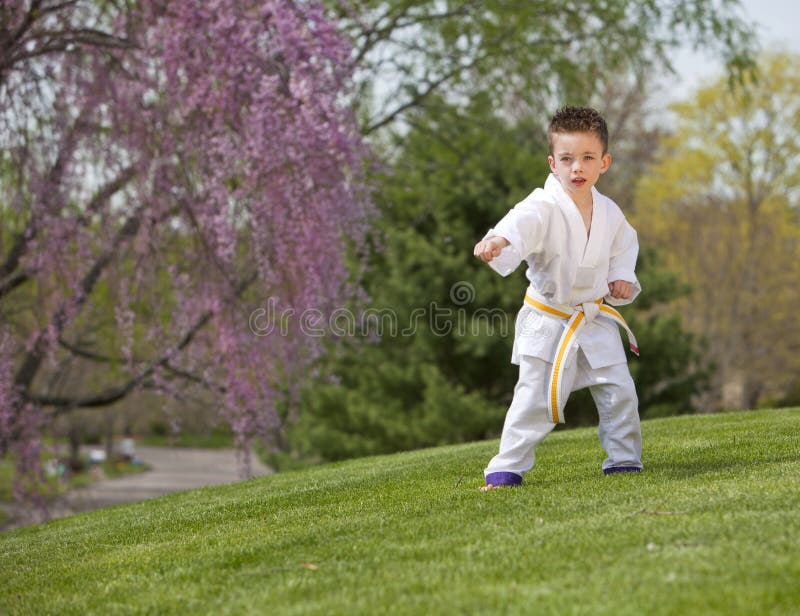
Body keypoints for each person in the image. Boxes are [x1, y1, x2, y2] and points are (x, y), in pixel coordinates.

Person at [473, 106, 643, 490]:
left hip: (593, 317)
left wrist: (620, 279)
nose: (576, 168)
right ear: (553, 163)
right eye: (567, 159)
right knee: (533, 398)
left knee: (619, 392)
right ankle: (505, 470)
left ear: (605, 163)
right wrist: (499, 240)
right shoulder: (544, 205)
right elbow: (522, 221)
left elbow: (623, 249)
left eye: (587, 158)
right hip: (548, 318)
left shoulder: (610, 213)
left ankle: (624, 461)